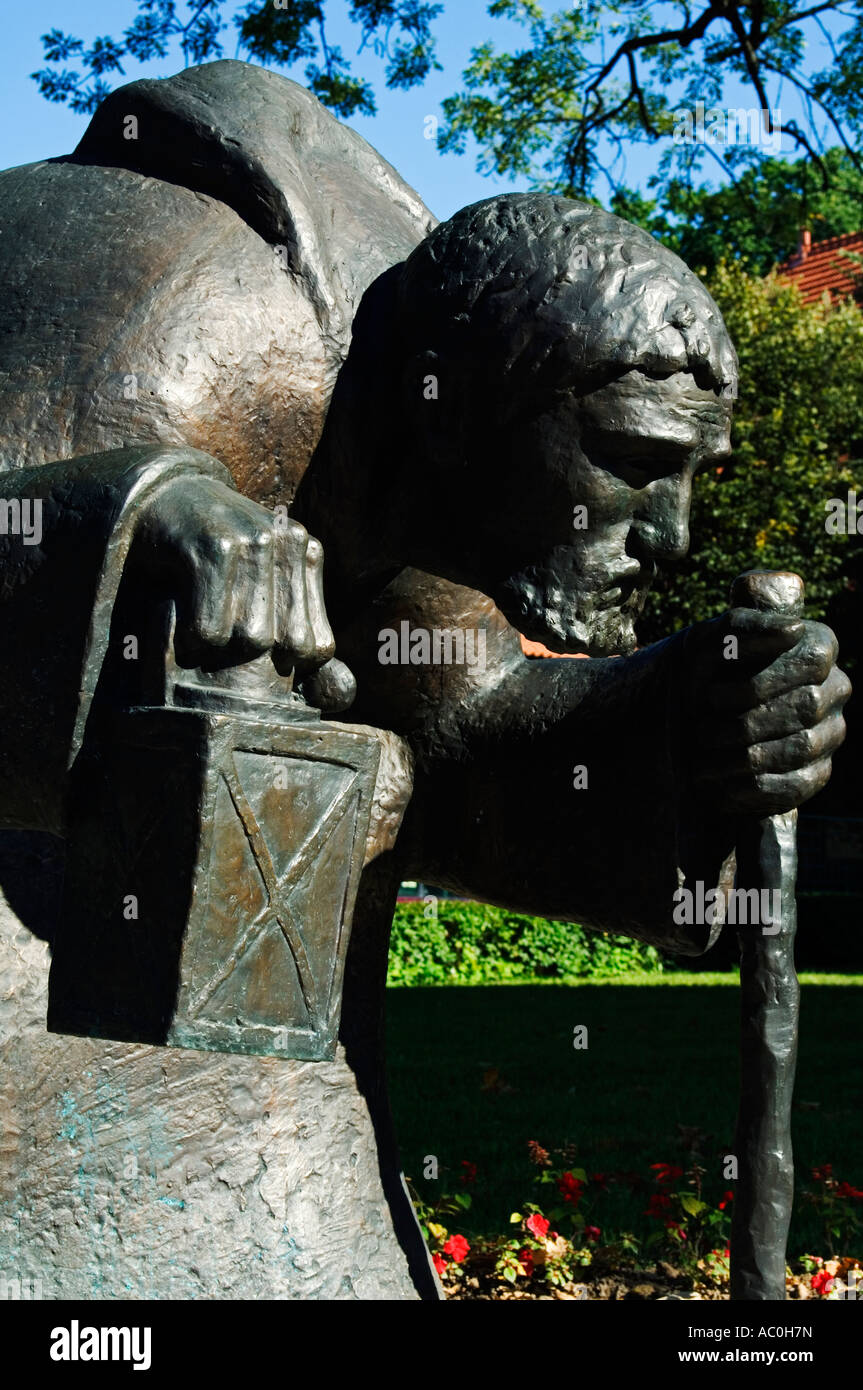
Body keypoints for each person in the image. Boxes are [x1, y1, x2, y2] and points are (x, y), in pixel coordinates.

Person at [0, 61, 848, 1300]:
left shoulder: (416, 419)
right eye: (626, 463)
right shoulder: (174, 315)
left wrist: (687, 722)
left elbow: (465, 738)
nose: (667, 536)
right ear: (463, 414)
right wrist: (144, 513)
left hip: (247, 1115)